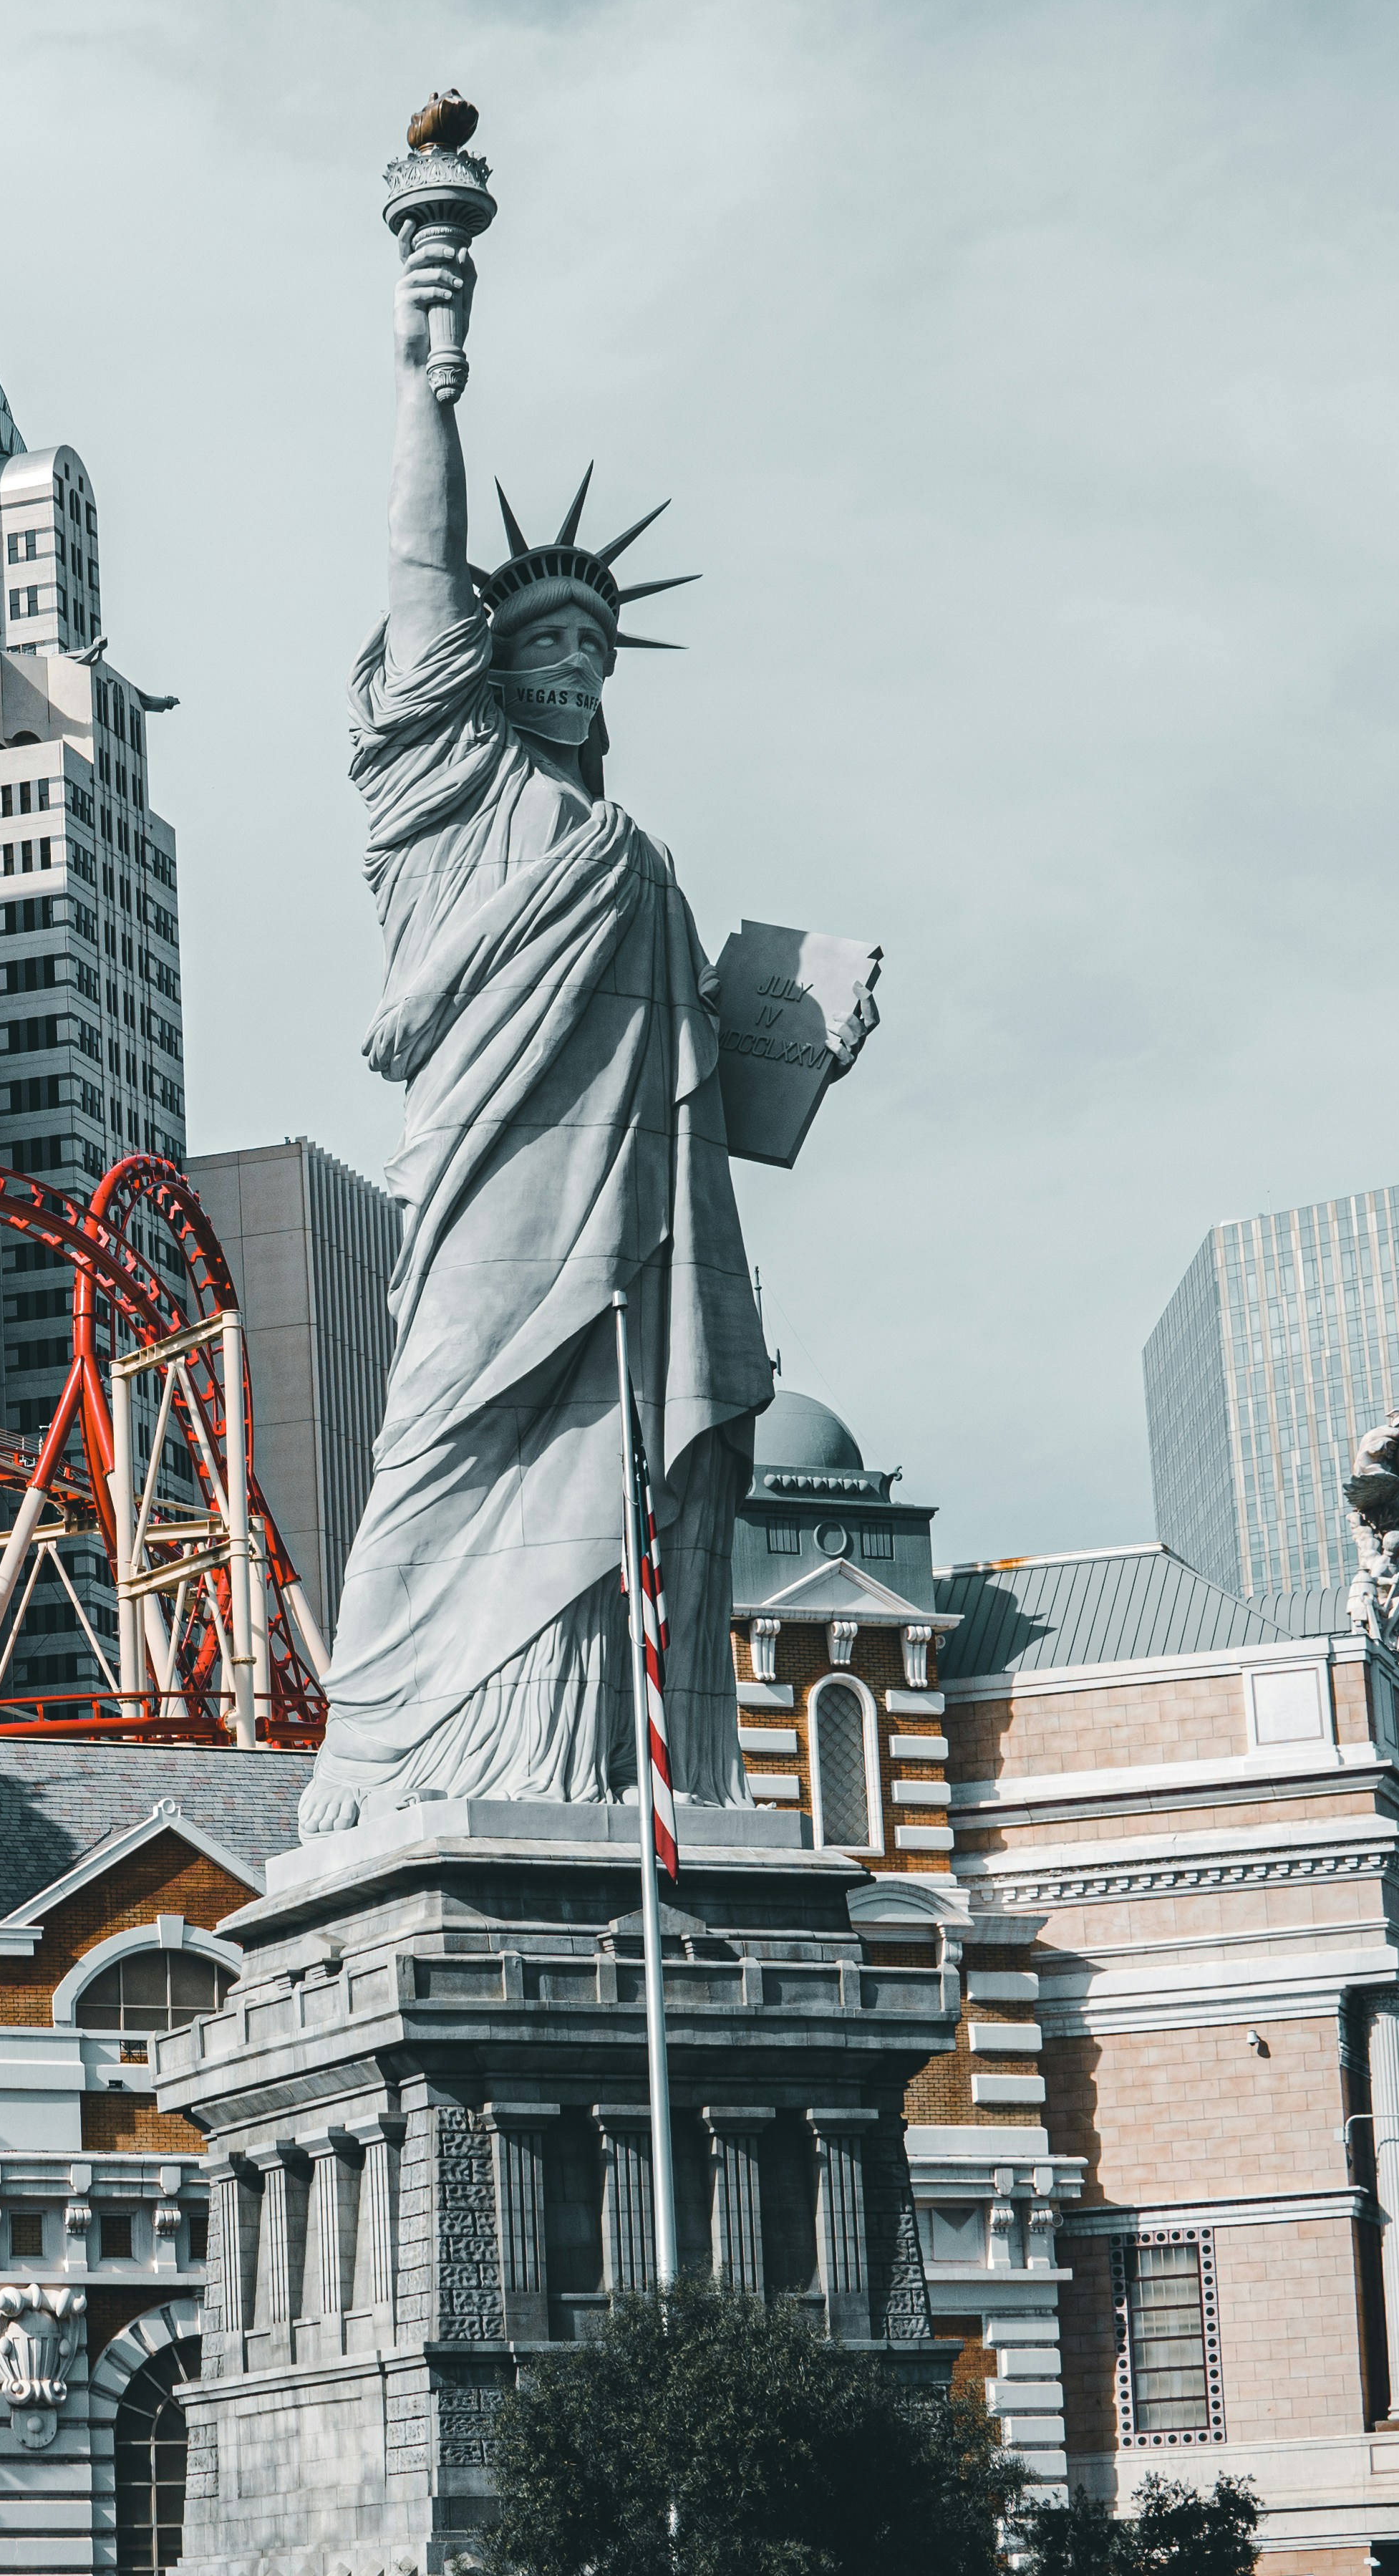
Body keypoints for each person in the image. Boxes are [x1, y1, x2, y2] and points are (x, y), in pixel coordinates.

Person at [301, 198, 861, 1833]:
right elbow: (420, 567)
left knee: (625, 1486)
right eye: (540, 638)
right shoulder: (450, 790)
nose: (571, 665)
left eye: (591, 647)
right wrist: (433, 365)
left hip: (637, 1232)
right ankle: (397, 1756)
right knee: (440, 1466)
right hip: (489, 1208)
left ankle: (591, 1771)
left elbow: (686, 1078)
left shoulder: (635, 853)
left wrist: (786, 1040)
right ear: (480, 668)